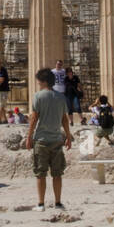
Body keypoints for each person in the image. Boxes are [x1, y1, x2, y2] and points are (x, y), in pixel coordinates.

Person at [25, 68, 73, 212]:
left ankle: (41, 204)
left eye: (39, 81)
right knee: (57, 174)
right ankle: (58, 203)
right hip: (57, 139)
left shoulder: (38, 96)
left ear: (44, 81)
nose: (38, 83)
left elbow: (34, 118)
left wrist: (29, 137)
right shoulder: (61, 97)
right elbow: (64, 119)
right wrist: (68, 136)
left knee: (40, 173)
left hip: (41, 139)